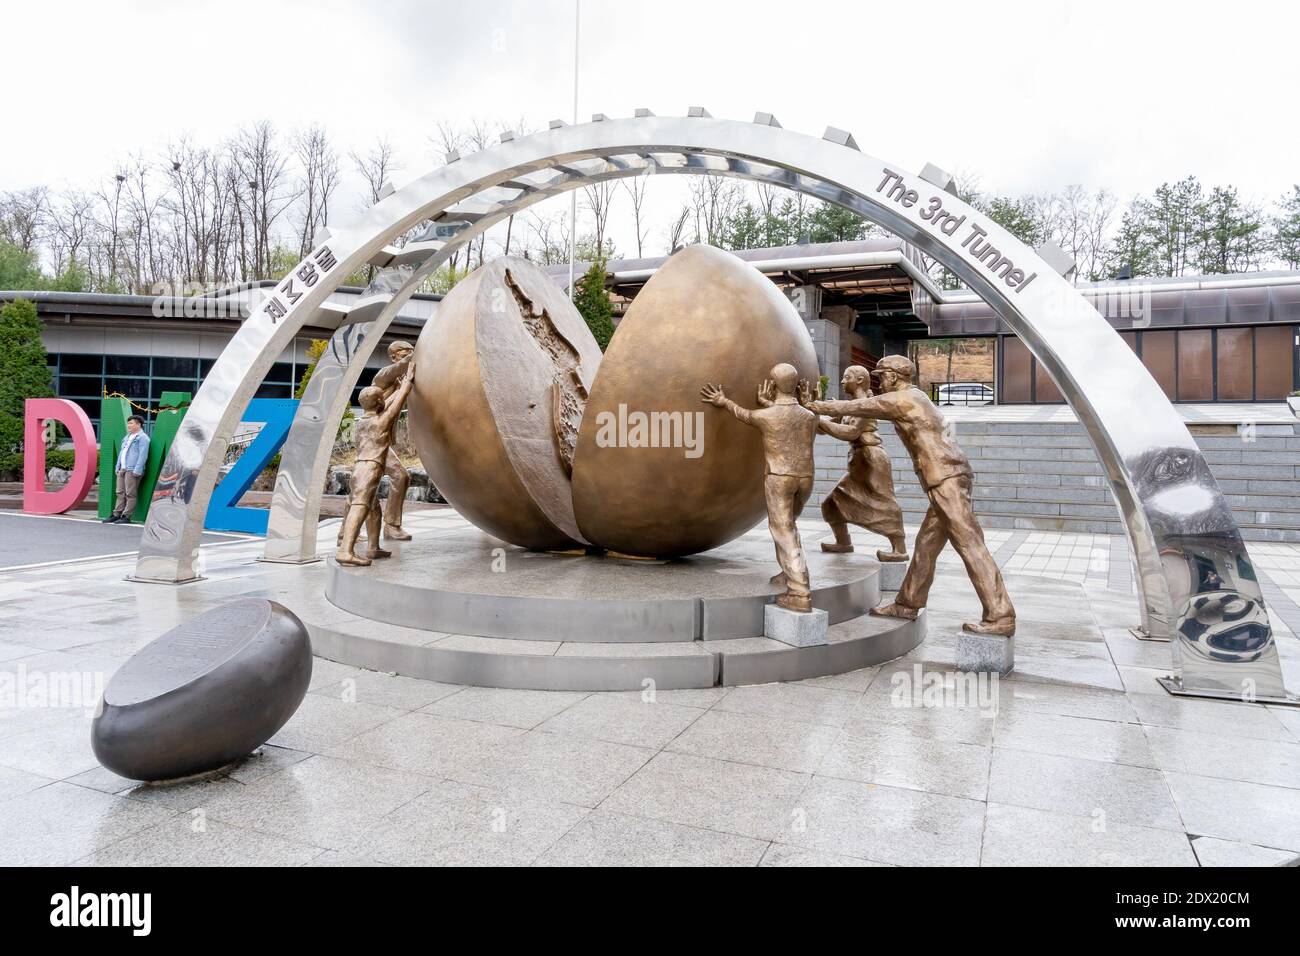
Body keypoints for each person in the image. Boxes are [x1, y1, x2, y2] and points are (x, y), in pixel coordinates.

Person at [808, 354, 1015, 636]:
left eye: (882, 378)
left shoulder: (906, 398)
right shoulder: (912, 398)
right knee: (927, 545)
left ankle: (1000, 615)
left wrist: (814, 405)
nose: (880, 384)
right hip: (945, 476)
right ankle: (908, 602)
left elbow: (861, 405)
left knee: (969, 543)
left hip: (946, 477)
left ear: (894, 376)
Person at [701, 363, 818, 612]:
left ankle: (799, 593)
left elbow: (744, 414)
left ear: (773, 386)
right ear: (797, 387)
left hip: (780, 477)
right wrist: (773, 403)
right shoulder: (808, 416)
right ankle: (789, 573)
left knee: (782, 529)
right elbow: (790, 419)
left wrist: (722, 400)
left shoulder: (766, 416)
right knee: (790, 526)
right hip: (805, 478)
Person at [810, 365, 908, 562]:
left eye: (846, 377)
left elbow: (850, 432)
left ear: (860, 381)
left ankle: (900, 549)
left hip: (873, 460)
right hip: (858, 461)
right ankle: (843, 542)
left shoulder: (867, 404)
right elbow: (824, 428)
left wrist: (819, 420)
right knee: (832, 503)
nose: (842, 381)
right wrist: (812, 410)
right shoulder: (850, 405)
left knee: (884, 501)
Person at [337, 362, 416, 567]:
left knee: (374, 509)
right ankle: (346, 551)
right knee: (360, 507)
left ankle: (373, 547)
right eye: (382, 398)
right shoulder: (381, 422)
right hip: (370, 470)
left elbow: (385, 404)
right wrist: (406, 384)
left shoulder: (362, 421)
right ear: (380, 402)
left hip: (358, 469)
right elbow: (395, 404)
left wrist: (395, 391)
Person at [368, 341, 416, 541]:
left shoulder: (402, 380)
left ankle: (345, 531)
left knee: (366, 483)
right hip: (372, 437)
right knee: (400, 476)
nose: (410, 356)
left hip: (381, 438)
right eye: (406, 353)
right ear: (394, 355)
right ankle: (392, 526)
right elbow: (401, 366)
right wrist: (421, 350)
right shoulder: (384, 375)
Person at [104, 415, 150, 523]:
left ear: (139, 425)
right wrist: (118, 466)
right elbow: (122, 453)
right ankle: (116, 514)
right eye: (128, 423)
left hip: (132, 470)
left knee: (130, 494)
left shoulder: (143, 438)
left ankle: (126, 516)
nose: (129, 425)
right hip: (123, 469)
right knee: (120, 492)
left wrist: (137, 470)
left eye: (131, 423)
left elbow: (143, 455)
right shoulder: (127, 437)